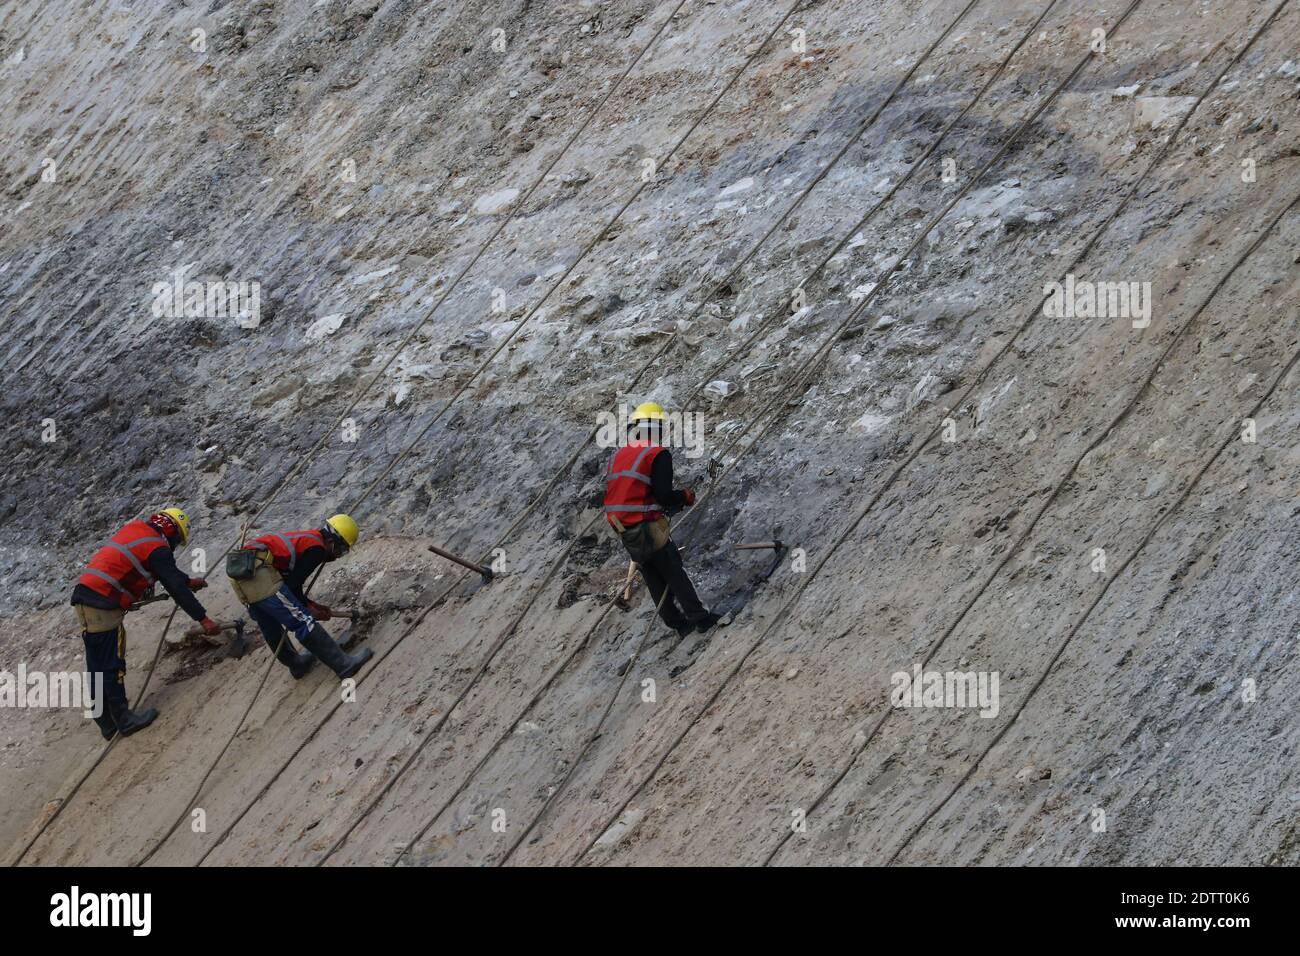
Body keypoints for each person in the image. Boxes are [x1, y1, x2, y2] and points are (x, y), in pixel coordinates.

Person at [71, 508, 219, 738]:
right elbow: (174, 586)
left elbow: (167, 573)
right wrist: (204, 619)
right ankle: (125, 720)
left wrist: (188, 581)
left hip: (85, 598)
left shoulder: (138, 530)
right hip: (104, 606)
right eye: (177, 540)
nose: (175, 545)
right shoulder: (157, 548)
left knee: (96, 666)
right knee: (112, 665)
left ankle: (106, 723)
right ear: (172, 532)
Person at [603, 402, 721, 638]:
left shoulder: (620, 454)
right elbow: (664, 495)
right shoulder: (657, 454)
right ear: (657, 429)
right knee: (672, 569)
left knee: (652, 573)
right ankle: (699, 618)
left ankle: (678, 624)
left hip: (622, 526)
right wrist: (683, 497)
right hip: (645, 524)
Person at [226, 514, 373, 681]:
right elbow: (293, 585)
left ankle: (297, 664)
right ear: (333, 541)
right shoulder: (316, 548)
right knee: (303, 620)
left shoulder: (306, 539)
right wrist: (309, 608)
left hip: (242, 577)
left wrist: (310, 604)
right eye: (341, 549)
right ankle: (344, 665)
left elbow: (289, 585)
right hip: (259, 575)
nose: (338, 555)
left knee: (270, 626)